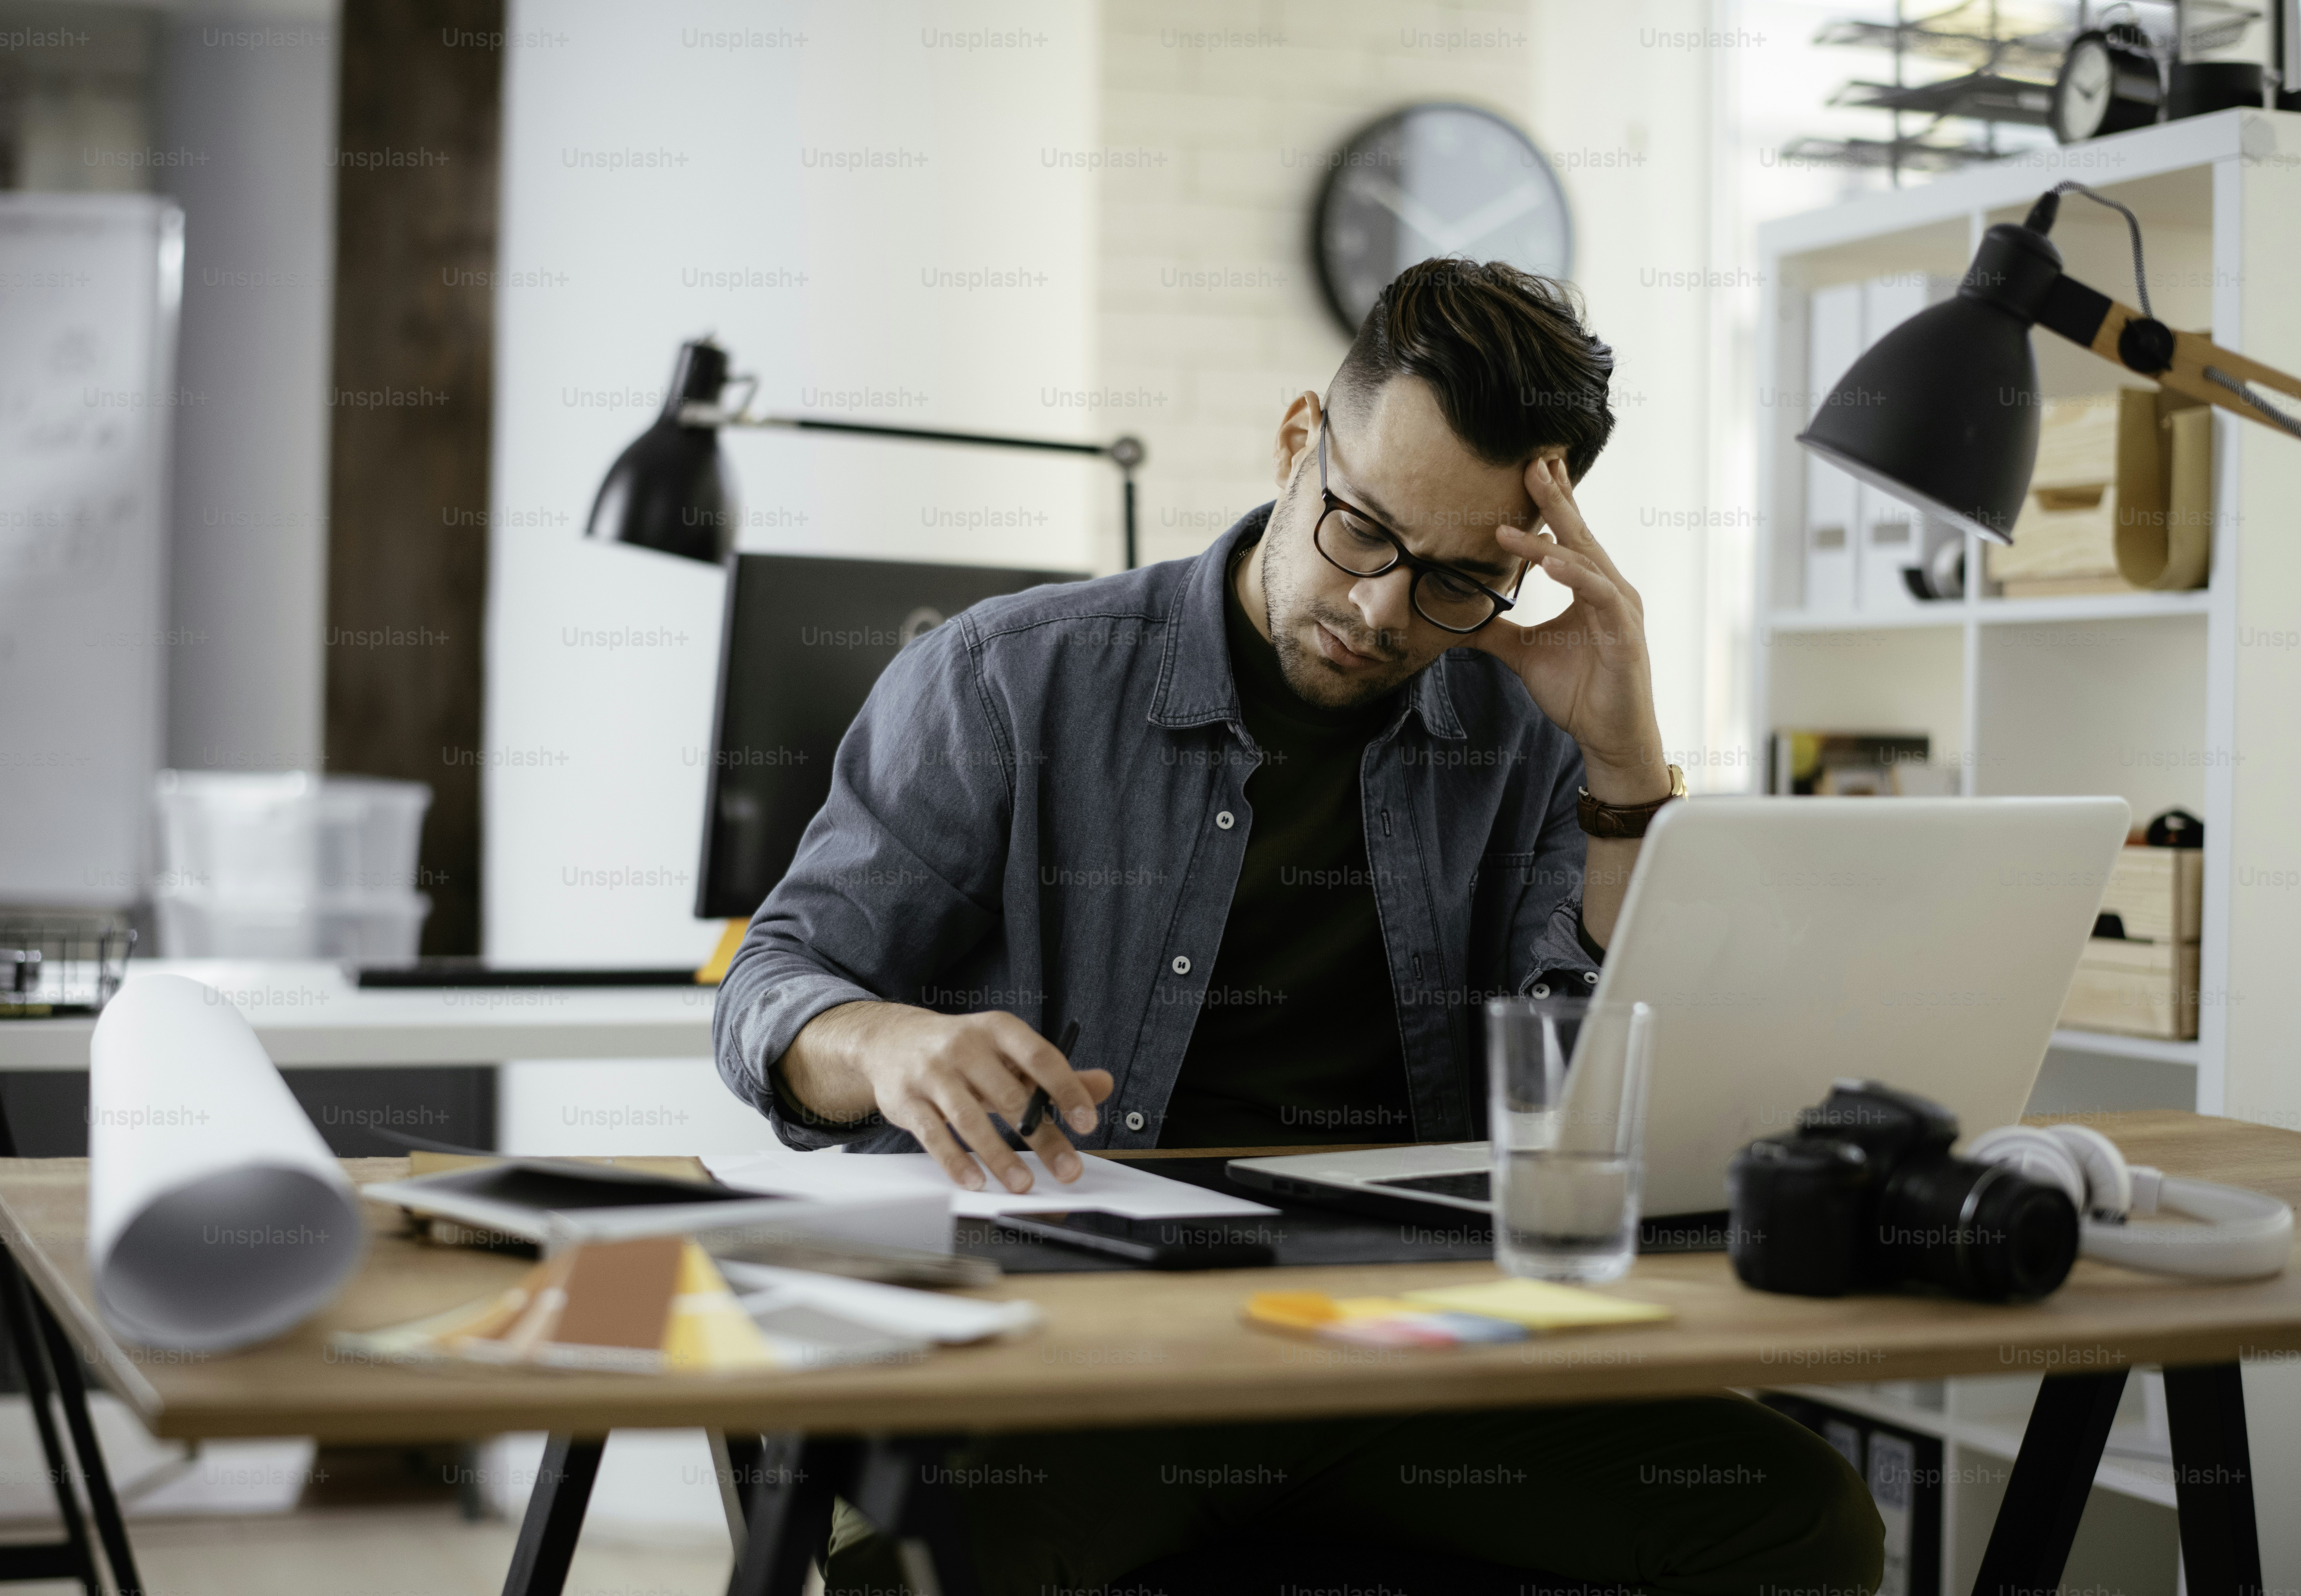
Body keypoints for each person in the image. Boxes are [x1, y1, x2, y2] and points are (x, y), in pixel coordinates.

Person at [714, 259, 1884, 1595]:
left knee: (1797, 1521)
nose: (1384, 611)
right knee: (927, 1561)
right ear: (1294, 444)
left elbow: (1582, 1098)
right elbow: (773, 980)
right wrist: (890, 1043)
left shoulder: (1527, 734)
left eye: (1455, 579)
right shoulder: (1010, 677)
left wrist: (1624, 767)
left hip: (1410, 1348)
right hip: (1078, 1357)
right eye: (1364, 530)